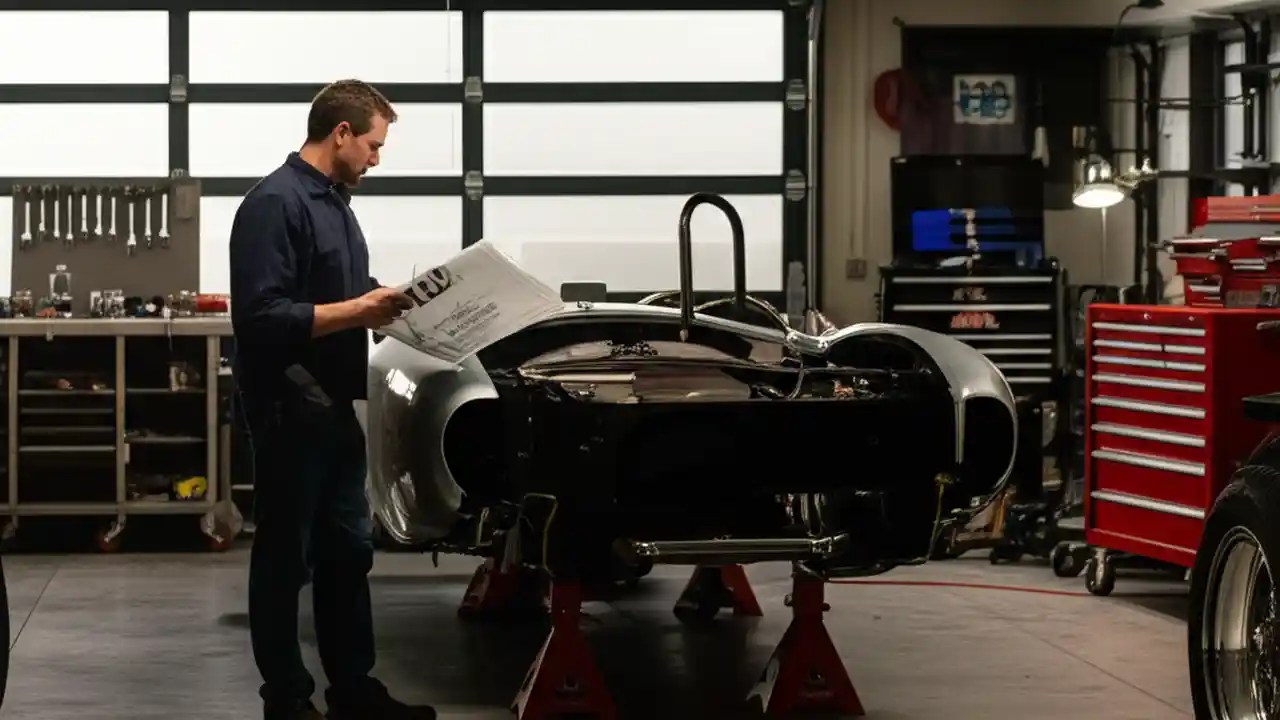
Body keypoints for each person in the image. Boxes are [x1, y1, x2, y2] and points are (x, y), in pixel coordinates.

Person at [228, 79, 433, 720]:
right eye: (373, 144)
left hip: (334, 409)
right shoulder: (273, 204)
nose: (378, 157)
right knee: (285, 559)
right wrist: (359, 308)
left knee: (348, 553)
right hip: (290, 410)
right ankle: (286, 698)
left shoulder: (336, 205)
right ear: (340, 133)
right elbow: (262, 317)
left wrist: (386, 302)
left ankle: (354, 689)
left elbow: (334, 294)